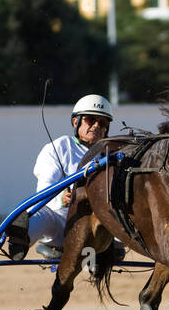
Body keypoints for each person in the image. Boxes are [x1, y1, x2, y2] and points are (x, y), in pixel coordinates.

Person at [7, 95, 112, 260]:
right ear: (75, 122)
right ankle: (19, 238)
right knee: (39, 213)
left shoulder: (112, 153)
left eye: (103, 122)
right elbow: (43, 190)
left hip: (102, 227)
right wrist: (61, 199)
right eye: (90, 119)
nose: (96, 126)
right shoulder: (58, 147)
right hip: (62, 222)